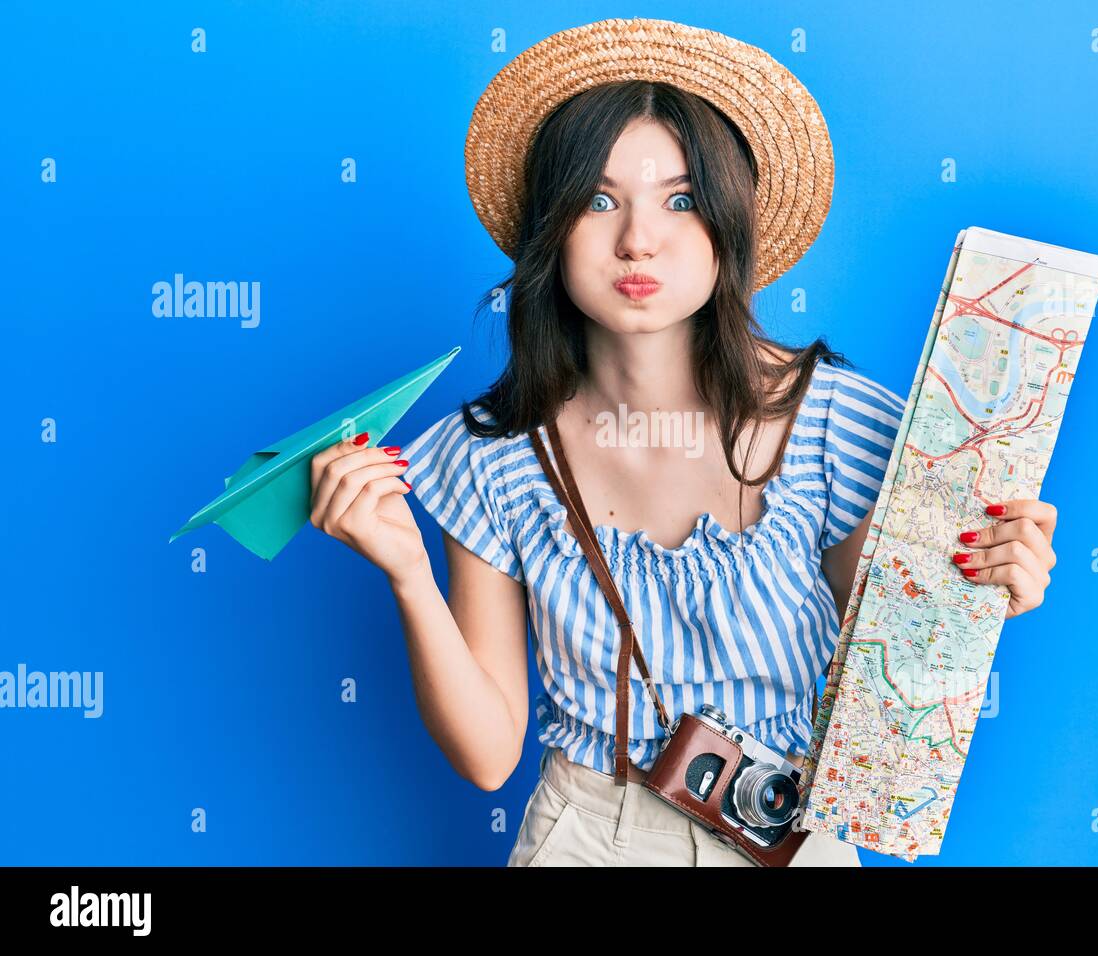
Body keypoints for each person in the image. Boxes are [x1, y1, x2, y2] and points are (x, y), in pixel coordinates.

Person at [307, 19, 1059, 866]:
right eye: (597, 200)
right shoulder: (490, 455)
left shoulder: (836, 422)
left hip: (790, 835)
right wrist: (409, 573)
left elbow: (901, 660)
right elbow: (487, 757)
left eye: (681, 199)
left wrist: (984, 583)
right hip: (588, 835)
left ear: (727, 222)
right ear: (551, 228)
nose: (638, 238)